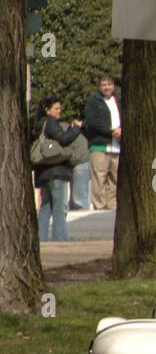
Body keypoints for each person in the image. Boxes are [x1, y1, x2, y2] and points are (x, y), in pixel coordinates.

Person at [33, 96, 82, 242]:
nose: (59, 111)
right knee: (59, 209)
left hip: (43, 172)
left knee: (45, 208)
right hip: (56, 171)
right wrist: (75, 129)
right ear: (47, 110)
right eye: (56, 109)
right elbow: (63, 139)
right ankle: (60, 239)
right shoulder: (51, 122)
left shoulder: (38, 124)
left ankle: (40, 239)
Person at [83, 74, 121, 210]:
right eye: (104, 85)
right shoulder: (93, 101)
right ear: (99, 87)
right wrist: (110, 131)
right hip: (99, 145)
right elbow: (92, 121)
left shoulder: (118, 100)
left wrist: (121, 131)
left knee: (115, 178)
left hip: (117, 146)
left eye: (109, 84)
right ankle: (100, 205)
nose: (107, 87)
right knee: (99, 176)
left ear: (113, 86)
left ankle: (112, 205)